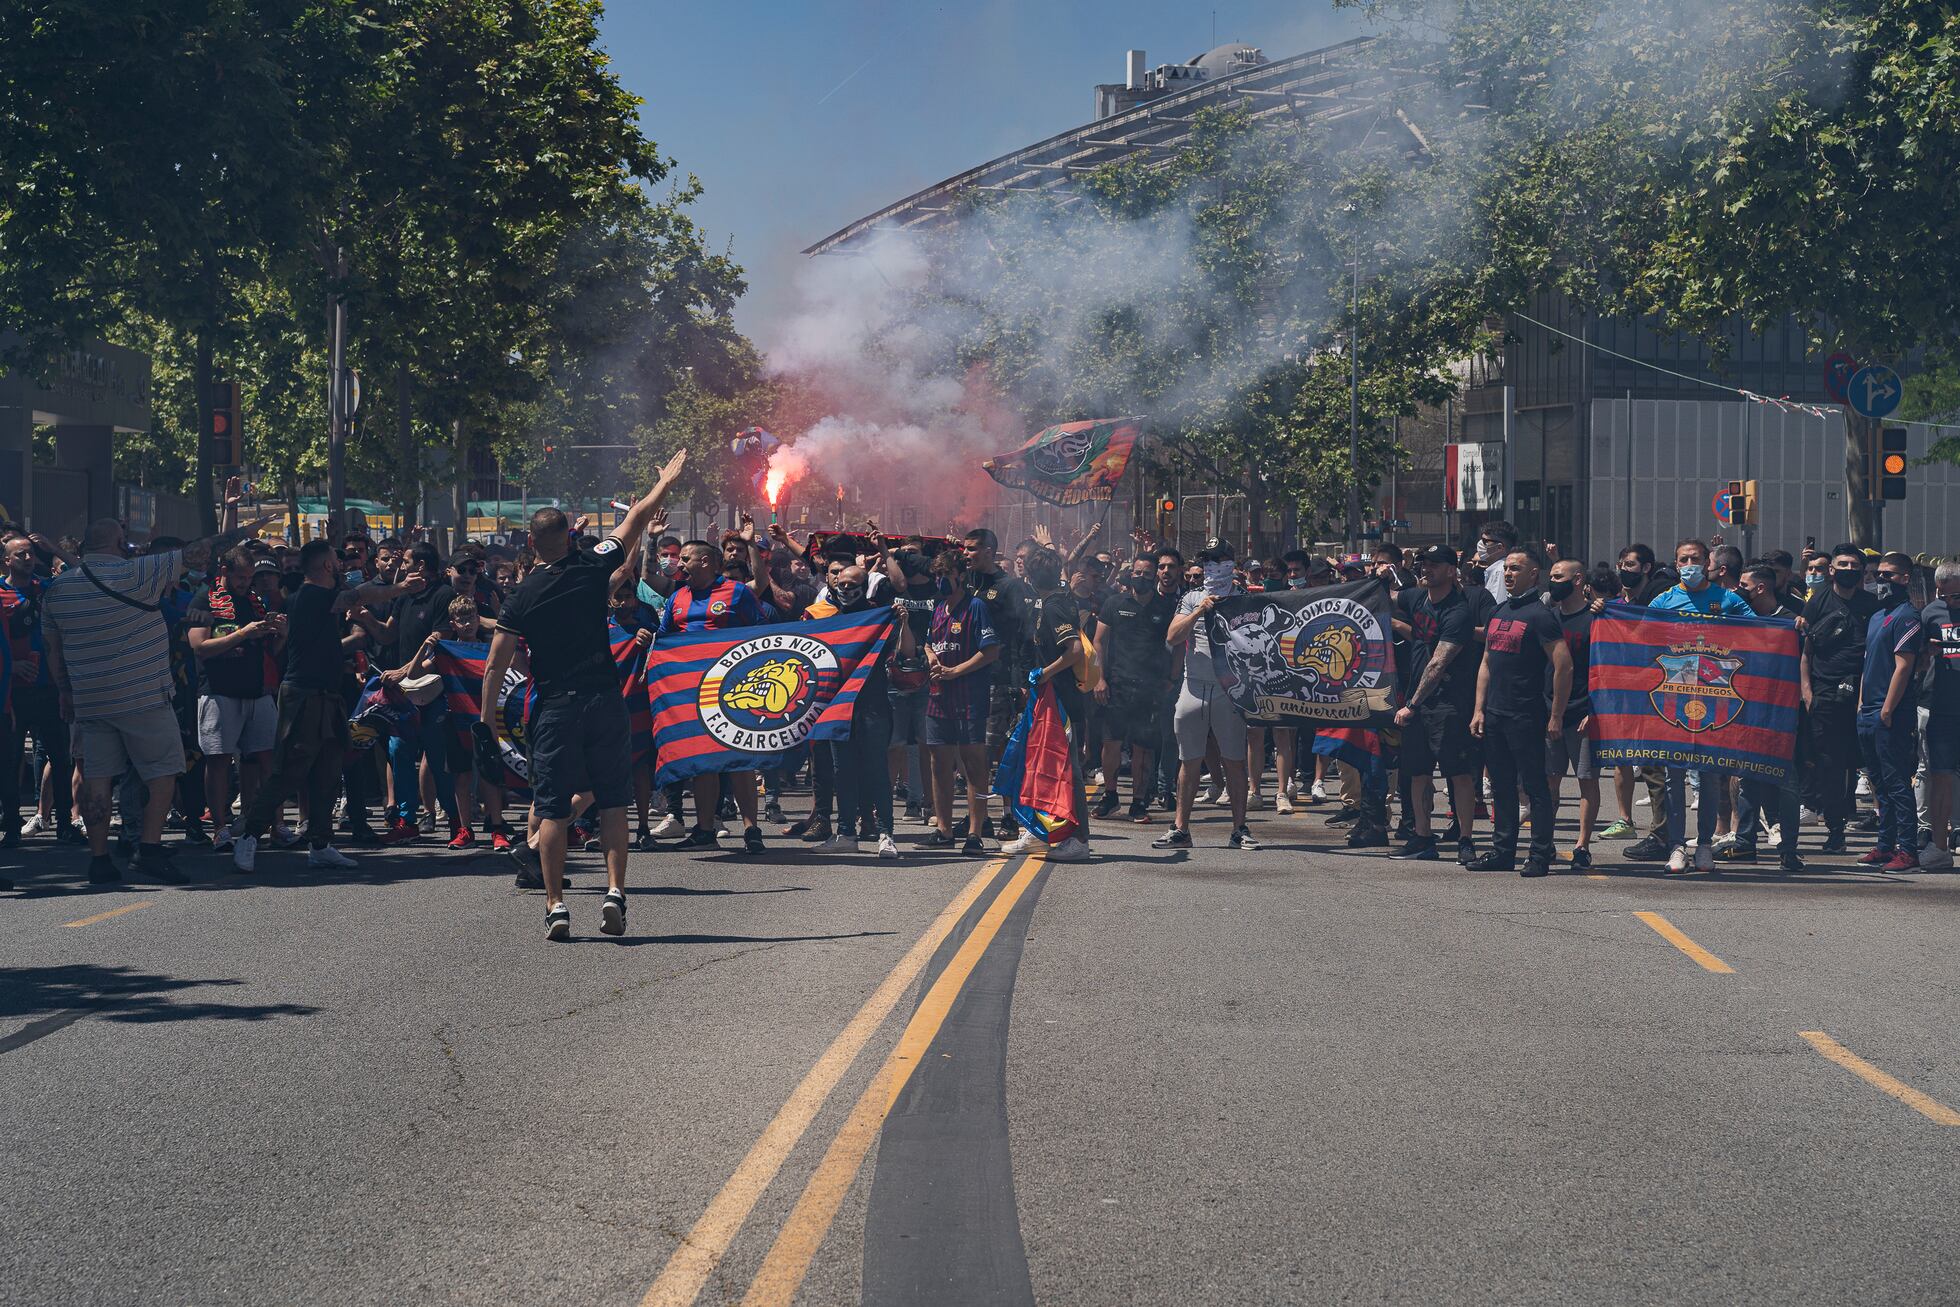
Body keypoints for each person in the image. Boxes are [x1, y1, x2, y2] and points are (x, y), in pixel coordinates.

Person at [486, 451, 684, 940]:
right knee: (614, 802)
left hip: (555, 705)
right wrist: (663, 483)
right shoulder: (593, 566)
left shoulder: (521, 595)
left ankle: (556, 906)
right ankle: (615, 893)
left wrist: (488, 718)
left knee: (552, 806)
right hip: (604, 700)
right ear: (569, 537)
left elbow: (496, 661)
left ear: (531, 542)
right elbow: (636, 520)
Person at [43, 515, 251, 884]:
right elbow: (200, 550)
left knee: (98, 780)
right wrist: (247, 529)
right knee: (162, 774)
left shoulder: (58, 590)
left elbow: (53, 649)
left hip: (91, 700)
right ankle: (149, 849)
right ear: (119, 543)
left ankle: (99, 858)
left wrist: (65, 692)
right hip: (143, 696)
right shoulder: (137, 573)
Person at [231, 539, 407, 874]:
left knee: (329, 769)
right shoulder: (312, 595)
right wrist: (400, 588)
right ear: (327, 566)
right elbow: (358, 596)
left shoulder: (319, 599)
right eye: (335, 562)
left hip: (328, 696)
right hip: (302, 695)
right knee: (289, 770)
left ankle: (321, 844)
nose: (341, 567)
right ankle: (248, 836)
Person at [1647, 538, 1752, 873]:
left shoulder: (1727, 599)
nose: (1689, 564)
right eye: (1683, 559)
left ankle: (1704, 844)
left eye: (1695, 558)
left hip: (1716, 697)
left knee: (1709, 775)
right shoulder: (1664, 599)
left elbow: (1761, 630)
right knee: (1673, 775)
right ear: (1675, 564)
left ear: (1708, 561)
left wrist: (1790, 624)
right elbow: (1636, 632)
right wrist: (1605, 612)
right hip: (1673, 698)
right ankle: (1677, 846)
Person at [659, 534, 767, 853]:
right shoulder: (677, 597)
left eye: (685, 560)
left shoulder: (737, 593)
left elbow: (761, 633)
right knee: (702, 761)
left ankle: (752, 829)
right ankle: (705, 827)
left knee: (739, 759)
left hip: (734, 690)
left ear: (704, 562)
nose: (679, 565)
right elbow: (664, 640)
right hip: (690, 692)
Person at [1468, 547, 1570, 876]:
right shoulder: (1498, 612)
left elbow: (1563, 665)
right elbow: (1486, 663)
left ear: (1533, 575)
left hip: (1526, 714)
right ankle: (1502, 851)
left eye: (1516, 569)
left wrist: (1556, 714)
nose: (1509, 574)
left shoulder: (1540, 616)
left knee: (1535, 787)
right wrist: (1478, 710)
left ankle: (1539, 854)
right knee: (1501, 785)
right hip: (1494, 714)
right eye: (1507, 569)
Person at [1156, 543, 1257, 850]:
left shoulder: (1246, 599)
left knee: (1234, 761)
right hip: (1194, 687)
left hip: (1231, 690)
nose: (1213, 566)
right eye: (1207, 561)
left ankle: (1240, 828)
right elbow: (1173, 637)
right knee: (1189, 761)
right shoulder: (1190, 598)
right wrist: (1201, 609)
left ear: (1231, 563)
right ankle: (1180, 828)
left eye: (1219, 560)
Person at [185, 545, 285, 851]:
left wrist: (280, 634)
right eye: (241, 577)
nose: (246, 583)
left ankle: (276, 825)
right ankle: (220, 829)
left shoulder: (254, 602)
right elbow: (199, 646)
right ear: (224, 571)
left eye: (250, 577)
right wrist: (243, 634)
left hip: (257, 691)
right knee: (218, 761)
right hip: (218, 693)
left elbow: (271, 652)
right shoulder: (204, 599)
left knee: (269, 759)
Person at [1390, 546, 1481, 864]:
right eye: (1423, 564)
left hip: (1447, 704)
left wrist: (1412, 704)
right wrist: (1375, 576)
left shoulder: (1459, 612)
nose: (1426, 569)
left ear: (1451, 570)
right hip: (1416, 705)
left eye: (1434, 565)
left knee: (1458, 774)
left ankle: (1466, 839)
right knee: (1417, 773)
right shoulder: (1416, 597)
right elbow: (1386, 595)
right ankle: (1422, 836)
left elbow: (1438, 663)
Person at [1002, 549, 1093, 861]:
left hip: (1061, 699)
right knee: (1041, 766)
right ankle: (1040, 833)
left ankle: (1079, 839)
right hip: (1046, 698)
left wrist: (1044, 673)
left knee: (1068, 770)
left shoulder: (1054, 607)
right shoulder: (1055, 597)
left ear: (1029, 576)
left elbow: (1074, 650)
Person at [1722, 562, 1805, 870]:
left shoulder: (1789, 622)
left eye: (1743, 586)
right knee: (1746, 779)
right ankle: (1745, 842)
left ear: (1760, 588)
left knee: (1786, 782)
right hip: (1745, 711)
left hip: (1780, 713)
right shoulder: (1739, 619)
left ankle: (1789, 849)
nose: (1736, 591)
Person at [1799, 543, 1880, 853]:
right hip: (1825, 697)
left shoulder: (1871, 605)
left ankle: (1886, 828)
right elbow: (1806, 653)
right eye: (1842, 564)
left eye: (1853, 565)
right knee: (1830, 767)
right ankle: (1836, 830)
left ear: (1862, 571)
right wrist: (1808, 694)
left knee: (1870, 765)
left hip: (1864, 697)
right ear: (1831, 569)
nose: (1848, 569)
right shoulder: (1816, 603)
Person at [0, 531, 79, 845]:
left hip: (48, 687)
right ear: (7, 560)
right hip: (13, 692)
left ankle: (63, 824)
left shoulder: (46, 588)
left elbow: (80, 574)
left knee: (60, 758)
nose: (29, 558)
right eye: (21, 554)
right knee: (10, 758)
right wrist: (11, 666)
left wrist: (53, 548)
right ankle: (11, 825)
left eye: (32, 553)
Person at [921, 548, 1001, 855]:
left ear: (961, 576)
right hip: (938, 697)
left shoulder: (976, 606)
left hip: (970, 697)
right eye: (937, 575)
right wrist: (930, 656)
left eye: (946, 575)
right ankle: (943, 828)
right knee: (939, 762)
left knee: (973, 765)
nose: (941, 581)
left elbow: (990, 650)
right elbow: (929, 641)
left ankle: (974, 832)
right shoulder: (938, 608)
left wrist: (956, 671)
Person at [817, 565, 900, 858]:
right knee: (843, 772)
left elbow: (901, 651)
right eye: (841, 583)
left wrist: (902, 622)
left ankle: (886, 833)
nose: (846, 589)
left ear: (864, 586)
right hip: (837, 706)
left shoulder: (878, 615)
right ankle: (845, 833)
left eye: (853, 584)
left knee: (876, 769)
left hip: (872, 703)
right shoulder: (824, 616)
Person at [1092, 546, 1180, 823]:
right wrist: (1100, 678)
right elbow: (1098, 642)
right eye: (1137, 572)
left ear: (1155, 576)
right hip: (1116, 685)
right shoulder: (1114, 604)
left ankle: (1140, 801)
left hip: (1151, 688)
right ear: (1130, 573)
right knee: (1111, 744)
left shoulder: (1167, 608)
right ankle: (1110, 795)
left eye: (1147, 573)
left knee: (1144, 747)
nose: (1141, 577)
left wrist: (1171, 679)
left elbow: (1178, 646)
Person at [1854, 551, 1924, 872]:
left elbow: (1904, 666)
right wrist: (1862, 703)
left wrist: (1886, 709)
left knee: (1897, 783)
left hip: (1890, 713)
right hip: (1867, 711)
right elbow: (1869, 663)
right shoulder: (1876, 616)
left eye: (1889, 575)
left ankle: (1908, 850)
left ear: (1905, 579)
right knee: (1878, 784)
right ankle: (1885, 845)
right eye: (1879, 574)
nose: (1882, 580)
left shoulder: (1907, 616)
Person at [1544, 558, 1601, 871]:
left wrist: (1594, 709)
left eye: (1558, 576)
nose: (1553, 581)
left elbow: (1604, 670)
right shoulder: (1549, 617)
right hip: (1550, 710)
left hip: (1582, 713)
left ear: (1577, 580)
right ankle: (1546, 843)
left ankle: (1582, 845)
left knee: (1586, 780)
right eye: (1551, 576)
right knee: (1549, 781)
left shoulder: (1595, 619)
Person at [1916, 561, 1960, 872]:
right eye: (1953, 597)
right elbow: (1912, 662)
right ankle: (1940, 847)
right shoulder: (1930, 614)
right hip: (1941, 706)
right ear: (1939, 590)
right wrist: (1926, 653)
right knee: (1940, 776)